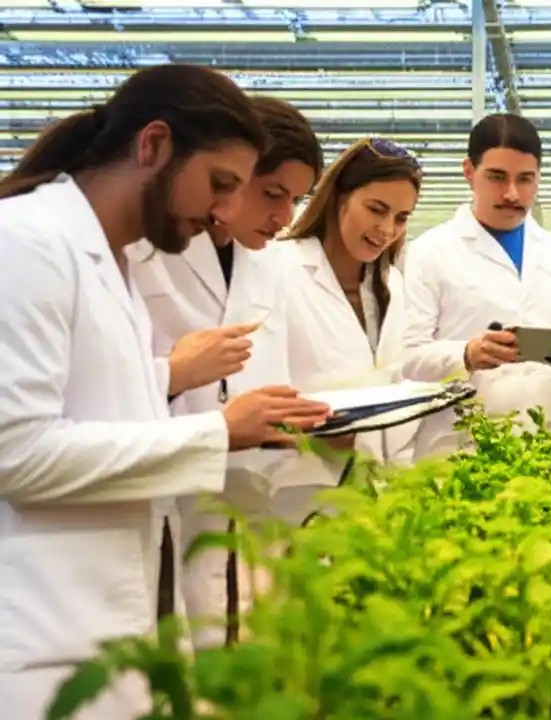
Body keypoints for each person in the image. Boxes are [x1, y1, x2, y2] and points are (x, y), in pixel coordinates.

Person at [0, 64, 331, 720]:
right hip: (44, 636)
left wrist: (170, 385)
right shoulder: (27, 242)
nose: (225, 212)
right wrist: (217, 430)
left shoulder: (110, 258)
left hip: (118, 618)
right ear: (152, 145)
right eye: (220, 184)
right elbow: (16, 451)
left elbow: (100, 397)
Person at [127, 96, 329, 650]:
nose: (284, 216)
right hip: (165, 490)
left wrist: (295, 422)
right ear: (230, 177)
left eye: (296, 199)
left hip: (249, 492)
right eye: (272, 194)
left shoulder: (266, 261)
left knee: (243, 644)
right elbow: (105, 386)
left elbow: (272, 370)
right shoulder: (147, 252)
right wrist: (176, 376)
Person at [401, 113, 551, 458]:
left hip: (544, 441)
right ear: (469, 172)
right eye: (496, 177)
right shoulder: (428, 252)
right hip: (457, 447)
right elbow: (404, 357)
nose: (511, 193)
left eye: (525, 179)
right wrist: (466, 354)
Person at [278, 137, 424, 466]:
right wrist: (314, 426)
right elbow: (257, 388)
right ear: (338, 197)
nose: (387, 229)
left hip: (374, 488)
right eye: (376, 209)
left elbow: (393, 384)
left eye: (401, 218)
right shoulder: (279, 270)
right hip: (295, 481)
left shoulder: (391, 286)